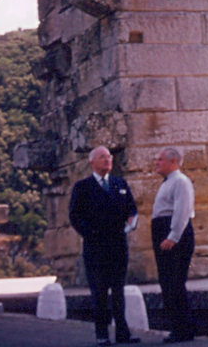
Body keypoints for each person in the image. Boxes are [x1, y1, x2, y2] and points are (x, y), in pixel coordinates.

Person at [69, 145, 140, 346]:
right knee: (99, 292)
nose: (107, 160)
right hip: (96, 247)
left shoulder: (120, 184)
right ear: (92, 162)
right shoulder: (82, 187)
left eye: (109, 157)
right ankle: (102, 334)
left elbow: (132, 210)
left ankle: (123, 333)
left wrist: (130, 224)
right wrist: (90, 232)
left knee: (118, 290)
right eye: (102, 157)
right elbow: (75, 216)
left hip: (118, 245)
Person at [151, 147, 196, 343]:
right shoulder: (168, 182)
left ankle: (183, 328)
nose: (156, 163)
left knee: (174, 281)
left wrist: (173, 236)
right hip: (164, 231)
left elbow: (181, 211)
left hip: (173, 234)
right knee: (167, 282)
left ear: (173, 161)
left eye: (160, 159)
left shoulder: (180, 181)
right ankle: (178, 327)